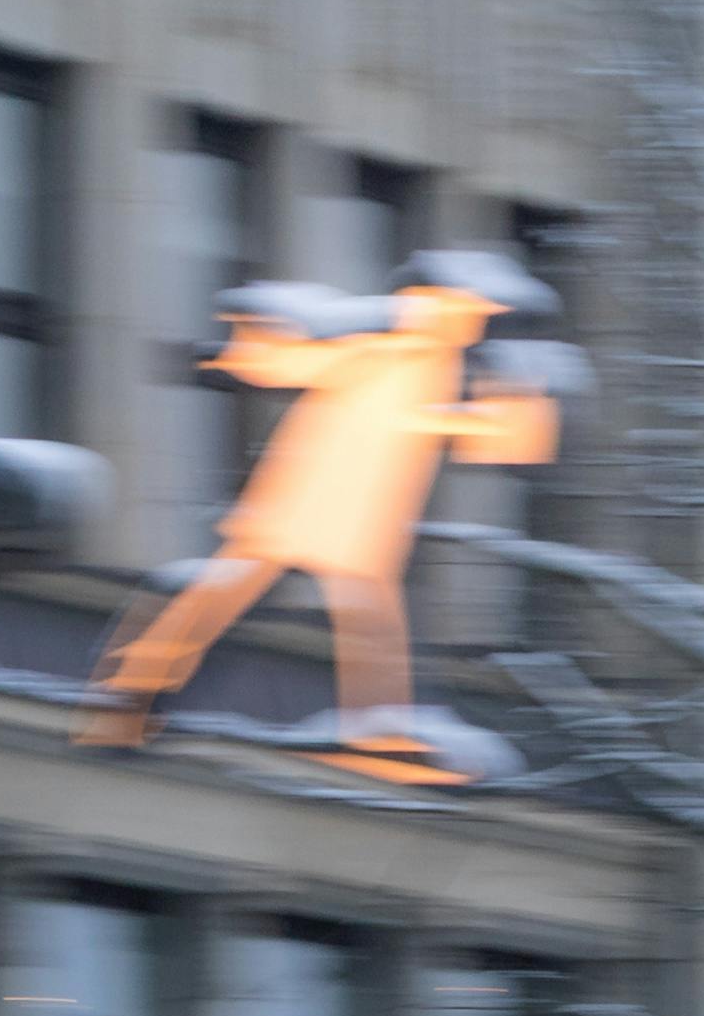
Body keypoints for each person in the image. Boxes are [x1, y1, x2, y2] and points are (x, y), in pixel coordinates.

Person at [79, 252, 572, 770]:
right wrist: (245, 353)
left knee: (361, 622)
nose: (473, 323)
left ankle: (374, 727)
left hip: (359, 518)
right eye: (467, 309)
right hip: (307, 502)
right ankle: (129, 691)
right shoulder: (389, 346)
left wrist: (510, 418)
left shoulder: (438, 364)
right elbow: (305, 365)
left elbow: (441, 427)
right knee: (221, 597)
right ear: (431, 303)